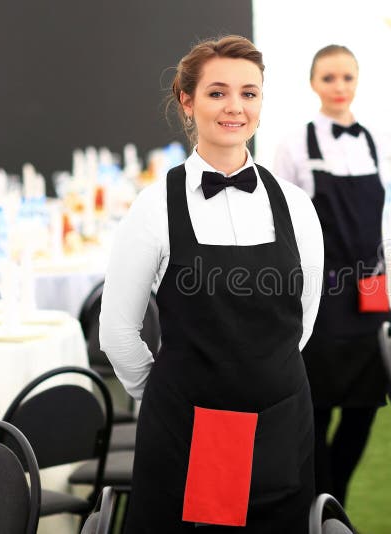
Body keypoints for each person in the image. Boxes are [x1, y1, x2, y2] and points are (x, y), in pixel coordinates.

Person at [100, 35, 324, 533]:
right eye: (217, 92)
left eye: (249, 93)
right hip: (190, 431)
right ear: (187, 100)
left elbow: (302, 321)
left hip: (281, 423)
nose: (235, 107)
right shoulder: (153, 207)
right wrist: (169, 398)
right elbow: (117, 332)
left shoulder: (296, 206)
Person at [274, 44, 389, 506]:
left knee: (366, 406)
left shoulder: (373, 139)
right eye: (329, 78)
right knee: (318, 408)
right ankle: (321, 508)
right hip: (319, 292)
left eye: (347, 78)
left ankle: (334, 495)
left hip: (371, 286)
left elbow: (383, 223)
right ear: (313, 83)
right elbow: (280, 221)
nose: (339, 87)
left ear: (357, 81)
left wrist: (385, 293)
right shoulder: (295, 143)